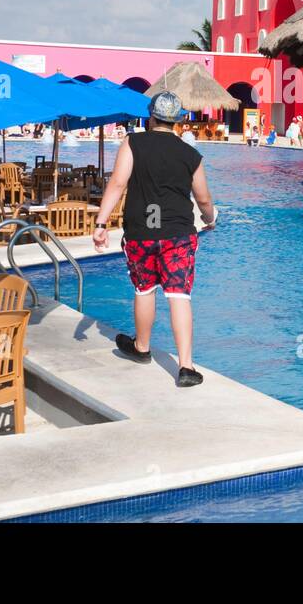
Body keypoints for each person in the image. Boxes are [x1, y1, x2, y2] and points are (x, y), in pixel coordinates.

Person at [94, 91, 217, 387]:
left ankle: (142, 348)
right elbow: (202, 198)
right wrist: (211, 219)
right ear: (178, 121)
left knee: (144, 289)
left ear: (151, 117)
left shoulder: (133, 142)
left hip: (141, 230)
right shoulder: (191, 154)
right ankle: (186, 367)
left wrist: (101, 223)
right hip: (178, 233)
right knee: (179, 296)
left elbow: (118, 183)